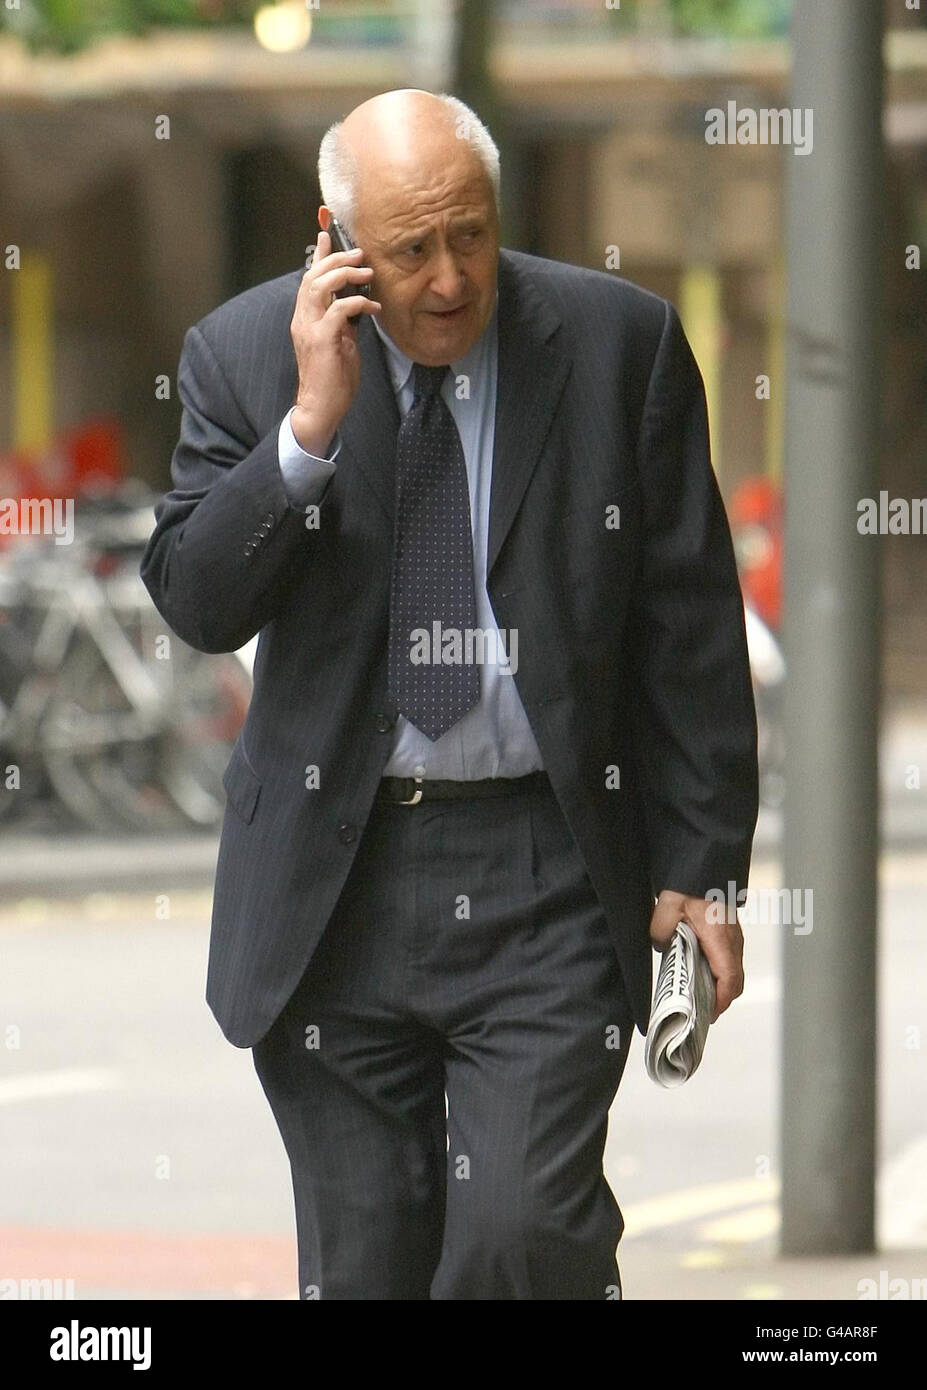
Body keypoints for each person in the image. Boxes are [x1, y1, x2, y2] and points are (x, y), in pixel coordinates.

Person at [140, 88, 758, 1301]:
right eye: (409, 248)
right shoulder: (244, 353)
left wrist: (706, 865)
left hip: (550, 869)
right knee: (368, 1264)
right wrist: (308, 428)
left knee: (521, 1236)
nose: (446, 278)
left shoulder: (616, 344)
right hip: (337, 879)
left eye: (469, 234)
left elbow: (687, 628)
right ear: (338, 238)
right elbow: (200, 603)